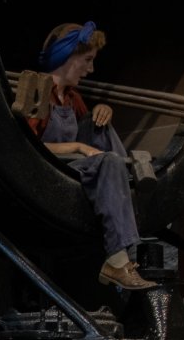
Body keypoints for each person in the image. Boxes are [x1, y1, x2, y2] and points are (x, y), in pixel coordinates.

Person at [13, 21, 155, 291]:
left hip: (79, 170)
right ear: (67, 57)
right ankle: (118, 258)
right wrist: (76, 147)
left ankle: (129, 179)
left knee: (100, 122)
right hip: (47, 172)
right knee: (109, 160)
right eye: (87, 60)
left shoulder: (72, 98)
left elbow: (91, 137)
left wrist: (101, 111)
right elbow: (25, 148)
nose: (91, 69)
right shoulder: (38, 92)